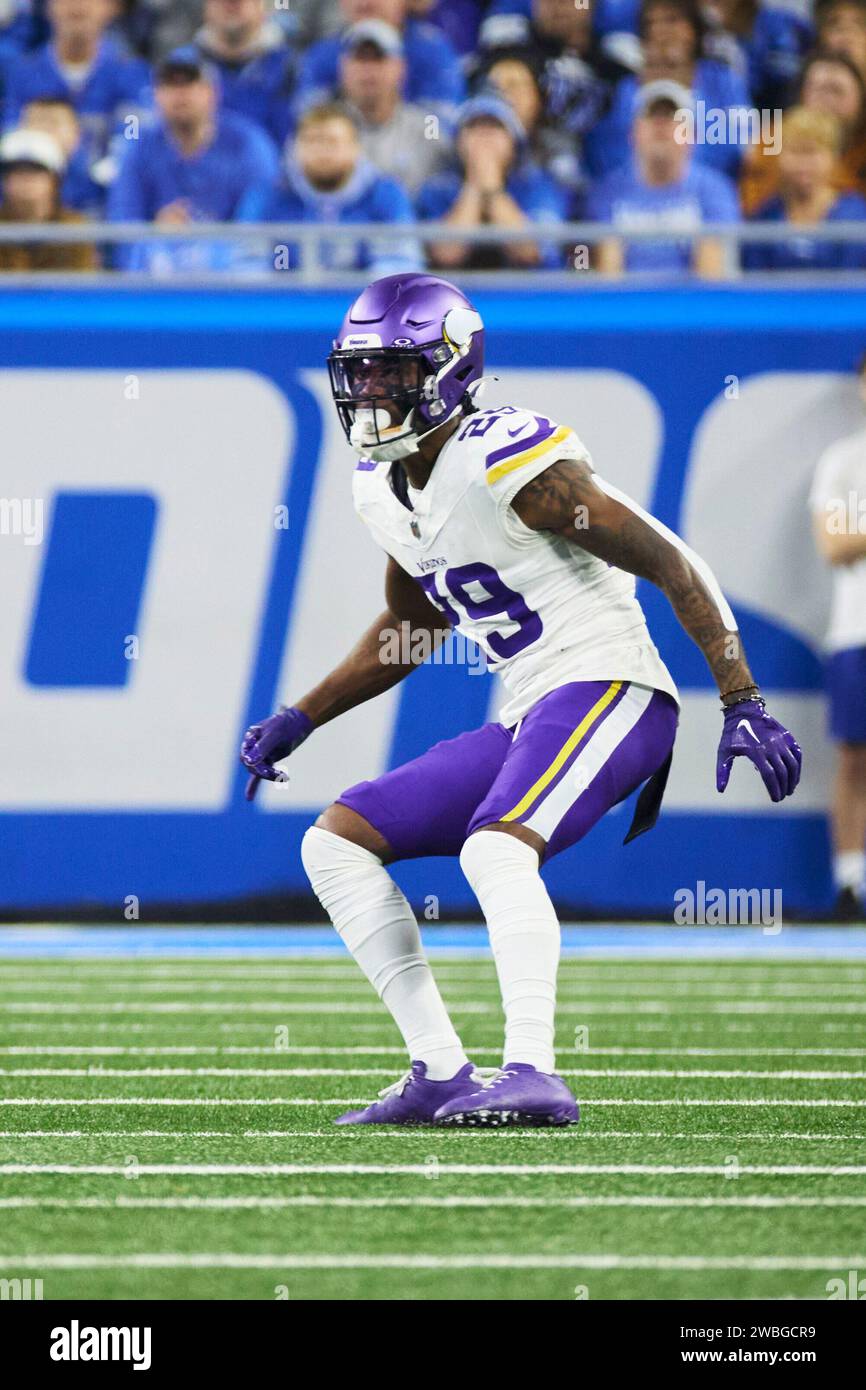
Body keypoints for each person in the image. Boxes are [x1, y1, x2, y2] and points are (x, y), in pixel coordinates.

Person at [241, 271, 801, 1127]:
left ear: (450, 368)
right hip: (529, 708)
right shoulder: (379, 485)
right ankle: (439, 1071)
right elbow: (414, 623)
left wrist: (742, 697)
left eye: (391, 372)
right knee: (336, 843)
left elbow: (671, 563)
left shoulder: (512, 462)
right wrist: (301, 716)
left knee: (496, 852)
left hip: (614, 687)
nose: (370, 393)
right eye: (360, 374)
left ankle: (533, 1070)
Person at [107, 46, 279, 274]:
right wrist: (155, 236)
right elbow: (122, 222)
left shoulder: (248, 143)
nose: (180, 94)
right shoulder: (138, 147)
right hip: (159, 280)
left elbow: (257, 225)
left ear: (212, 92)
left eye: (190, 83)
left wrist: (203, 244)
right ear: (156, 94)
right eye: (169, 84)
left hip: (232, 285)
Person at [237, 102, 421, 274]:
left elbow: (399, 266)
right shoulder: (268, 195)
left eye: (332, 141)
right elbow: (247, 265)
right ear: (295, 148)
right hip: (284, 305)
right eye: (311, 141)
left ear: (355, 148)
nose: (321, 151)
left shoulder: (385, 194)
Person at [810, 354, 866, 920]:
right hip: (858, 629)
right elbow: (833, 545)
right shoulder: (845, 460)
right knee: (853, 757)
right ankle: (851, 881)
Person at [586, 0, 753, 179]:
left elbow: (744, 143)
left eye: (671, 20)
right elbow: (606, 154)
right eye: (650, 23)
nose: (659, 30)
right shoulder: (626, 90)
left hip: (714, 187)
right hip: (638, 192)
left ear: (694, 30)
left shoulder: (723, 81)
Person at [586, 81, 739, 275]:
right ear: (633, 133)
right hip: (628, 303)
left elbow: (711, 274)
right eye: (651, 115)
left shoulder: (715, 191)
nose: (661, 123)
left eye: (673, 116)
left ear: (691, 135)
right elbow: (609, 274)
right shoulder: (608, 191)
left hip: (693, 303)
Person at [416, 94, 569, 269]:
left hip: (530, 294)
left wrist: (493, 190)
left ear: (514, 144)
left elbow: (529, 252)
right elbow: (447, 254)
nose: (484, 133)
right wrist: (473, 187)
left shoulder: (538, 186)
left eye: (495, 126)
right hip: (457, 292)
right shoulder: (438, 188)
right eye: (474, 126)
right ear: (458, 143)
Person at [4, 0, 152, 167]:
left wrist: (119, 156)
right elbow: (11, 130)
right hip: (39, 176)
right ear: (48, 7)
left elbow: (134, 127)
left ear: (112, 7)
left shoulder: (130, 71)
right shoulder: (23, 72)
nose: (78, 5)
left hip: (106, 184)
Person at [740, 50, 866, 215]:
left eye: (836, 91)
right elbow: (754, 206)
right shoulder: (773, 140)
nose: (827, 100)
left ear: (860, 100)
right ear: (801, 95)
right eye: (819, 89)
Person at [742, 106, 866, 272]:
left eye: (812, 152)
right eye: (794, 152)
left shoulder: (855, 214)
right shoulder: (766, 213)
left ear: (833, 157)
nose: (803, 164)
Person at [297, 0, 465, 118]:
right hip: (342, 156)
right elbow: (309, 120)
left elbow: (440, 126)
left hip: (413, 159)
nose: (364, 3)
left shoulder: (431, 49)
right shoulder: (323, 54)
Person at [337, 19, 448, 194]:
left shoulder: (428, 126)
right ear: (343, 67)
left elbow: (444, 194)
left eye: (378, 58)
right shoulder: (324, 129)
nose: (368, 70)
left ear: (400, 68)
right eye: (360, 58)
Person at [192, 0, 300, 147]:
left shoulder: (289, 67)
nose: (230, 7)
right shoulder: (184, 67)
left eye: (238, 3)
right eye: (222, 3)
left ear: (262, 8)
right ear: (207, 8)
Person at [0, 127, 98, 271]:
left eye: (35, 170)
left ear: (54, 180)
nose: (25, 179)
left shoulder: (75, 230)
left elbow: (81, 288)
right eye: (15, 171)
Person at [21, 95, 104, 214]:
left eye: (53, 123)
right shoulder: (8, 177)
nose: (44, 131)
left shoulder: (98, 181)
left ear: (76, 132)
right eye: (37, 121)